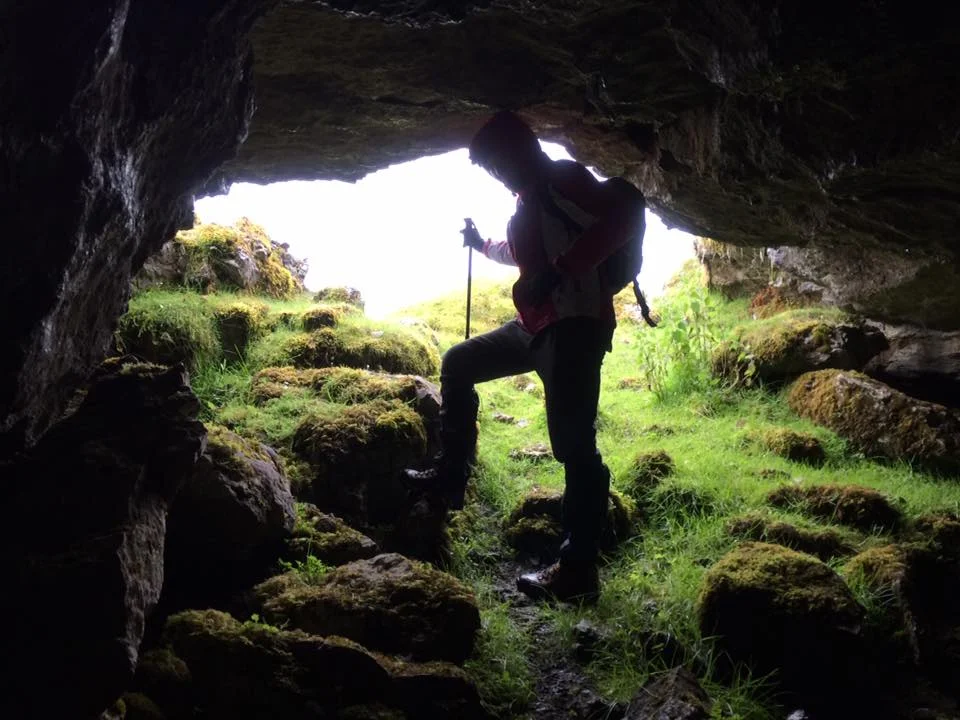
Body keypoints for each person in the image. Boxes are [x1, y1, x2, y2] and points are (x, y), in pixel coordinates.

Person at [404, 110, 642, 603]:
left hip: (575, 328)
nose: (498, 173)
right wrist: (481, 244)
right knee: (459, 362)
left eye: (497, 163)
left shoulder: (564, 179)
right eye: (491, 168)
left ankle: (578, 569)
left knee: (574, 446)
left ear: (520, 149)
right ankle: (452, 476)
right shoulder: (530, 195)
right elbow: (522, 254)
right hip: (534, 326)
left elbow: (620, 221)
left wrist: (562, 271)